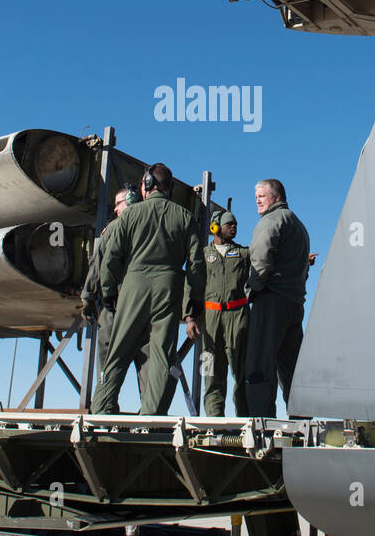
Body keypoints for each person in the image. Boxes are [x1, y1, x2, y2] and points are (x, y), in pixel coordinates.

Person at [93, 163, 205, 415]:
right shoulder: (185, 217)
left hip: (133, 287)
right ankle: (152, 416)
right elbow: (197, 267)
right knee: (161, 356)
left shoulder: (131, 215)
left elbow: (111, 257)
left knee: (118, 352)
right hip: (169, 288)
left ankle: (101, 409)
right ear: (170, 188)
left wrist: (109, 292)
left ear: (145, 185)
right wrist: (192, 308)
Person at [245, 180, 309, 417]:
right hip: (294, 303)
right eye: (256, 197)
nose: (258, 200)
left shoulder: (271, 221)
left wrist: (251, 291)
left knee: (259, 367)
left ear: (277, 196)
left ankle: (261, 426)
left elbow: (260, 261)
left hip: (271, 300)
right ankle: (302, 422)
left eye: (262, 195)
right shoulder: (299, 225)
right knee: (292, 368)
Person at [80, 184, 151, 397]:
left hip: (115, 304)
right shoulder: (151, 227)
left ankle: (105, 409)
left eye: (118, 204)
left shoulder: (113, 228)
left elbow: (98, 265)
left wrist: (88, 297)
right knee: (147, 362)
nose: (115, 210)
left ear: (128, 202)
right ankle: (151, 416)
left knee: (109, 360)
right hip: (145, 305)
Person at [187, 209, 249, 416]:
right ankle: (215, 421)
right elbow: (192, 287)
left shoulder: (243, 254)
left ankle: (244, 420)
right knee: (210, 371)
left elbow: (269, 264)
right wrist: (190, 319)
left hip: (238, 318)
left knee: (242, 373)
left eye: (235, 224)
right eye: (229, 224)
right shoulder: (203, 255)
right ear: (215, 228)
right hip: (210, 321)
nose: (234, 227)